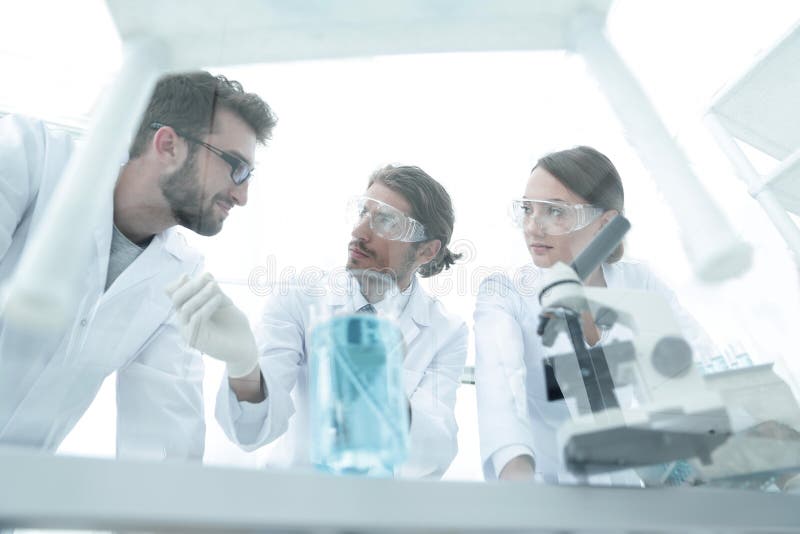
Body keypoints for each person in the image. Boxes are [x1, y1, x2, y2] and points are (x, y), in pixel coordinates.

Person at [0, 71, 277, 460]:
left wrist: (244, 364)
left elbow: (164, 450)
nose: (242, 194)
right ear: (167, 145)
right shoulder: (28, 156)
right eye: (236, 167)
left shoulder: (181, 277)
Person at [169, 164, 468, 478]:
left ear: (427, 250)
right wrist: (243, 364)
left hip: (379, 512)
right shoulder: (302, 298)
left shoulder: (446, 331)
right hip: (295, 507)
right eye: (363, 213)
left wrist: (382, 389)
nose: (359, 232)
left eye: (386, 221)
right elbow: (250, 431)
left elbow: (434, 454)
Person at [474, 146, 716, 484]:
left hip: (648, 490)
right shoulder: (505, 293)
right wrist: (518, 485)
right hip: (552, 494)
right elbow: (500, 390)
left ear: (605, 224)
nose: (533, 227)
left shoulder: (639, 283)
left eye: (555, 212)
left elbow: (698, 363)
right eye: (528, 209)